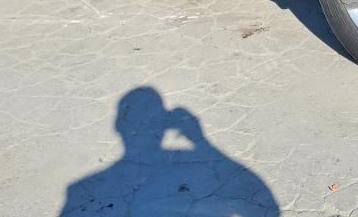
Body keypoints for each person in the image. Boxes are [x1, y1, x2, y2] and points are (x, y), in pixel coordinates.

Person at [60, 87, 278, 216]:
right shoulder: (200, 163)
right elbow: (270, 208)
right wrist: (202, 142)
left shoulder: (79, 190)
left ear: (118, 126)